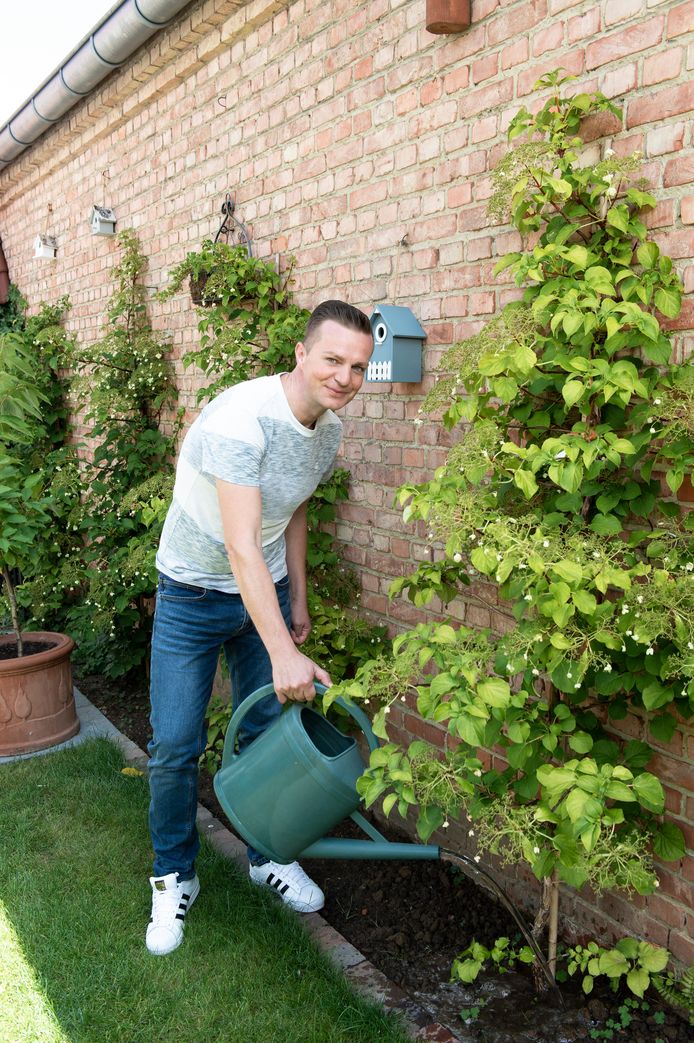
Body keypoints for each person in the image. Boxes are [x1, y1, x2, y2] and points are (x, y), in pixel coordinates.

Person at [145, 299, 374, 955]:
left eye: (358, 366)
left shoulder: (326, 431)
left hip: (264, 588)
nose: (344, 377)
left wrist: (296, 598)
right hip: (191, 590)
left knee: (265, 730)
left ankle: (265, 853)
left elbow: (291, 510)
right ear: (302, 354)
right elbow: (241, 542)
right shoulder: (239, 421)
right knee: (174, 745)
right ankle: (172, 877)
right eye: (333, 359)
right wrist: (281, 650)